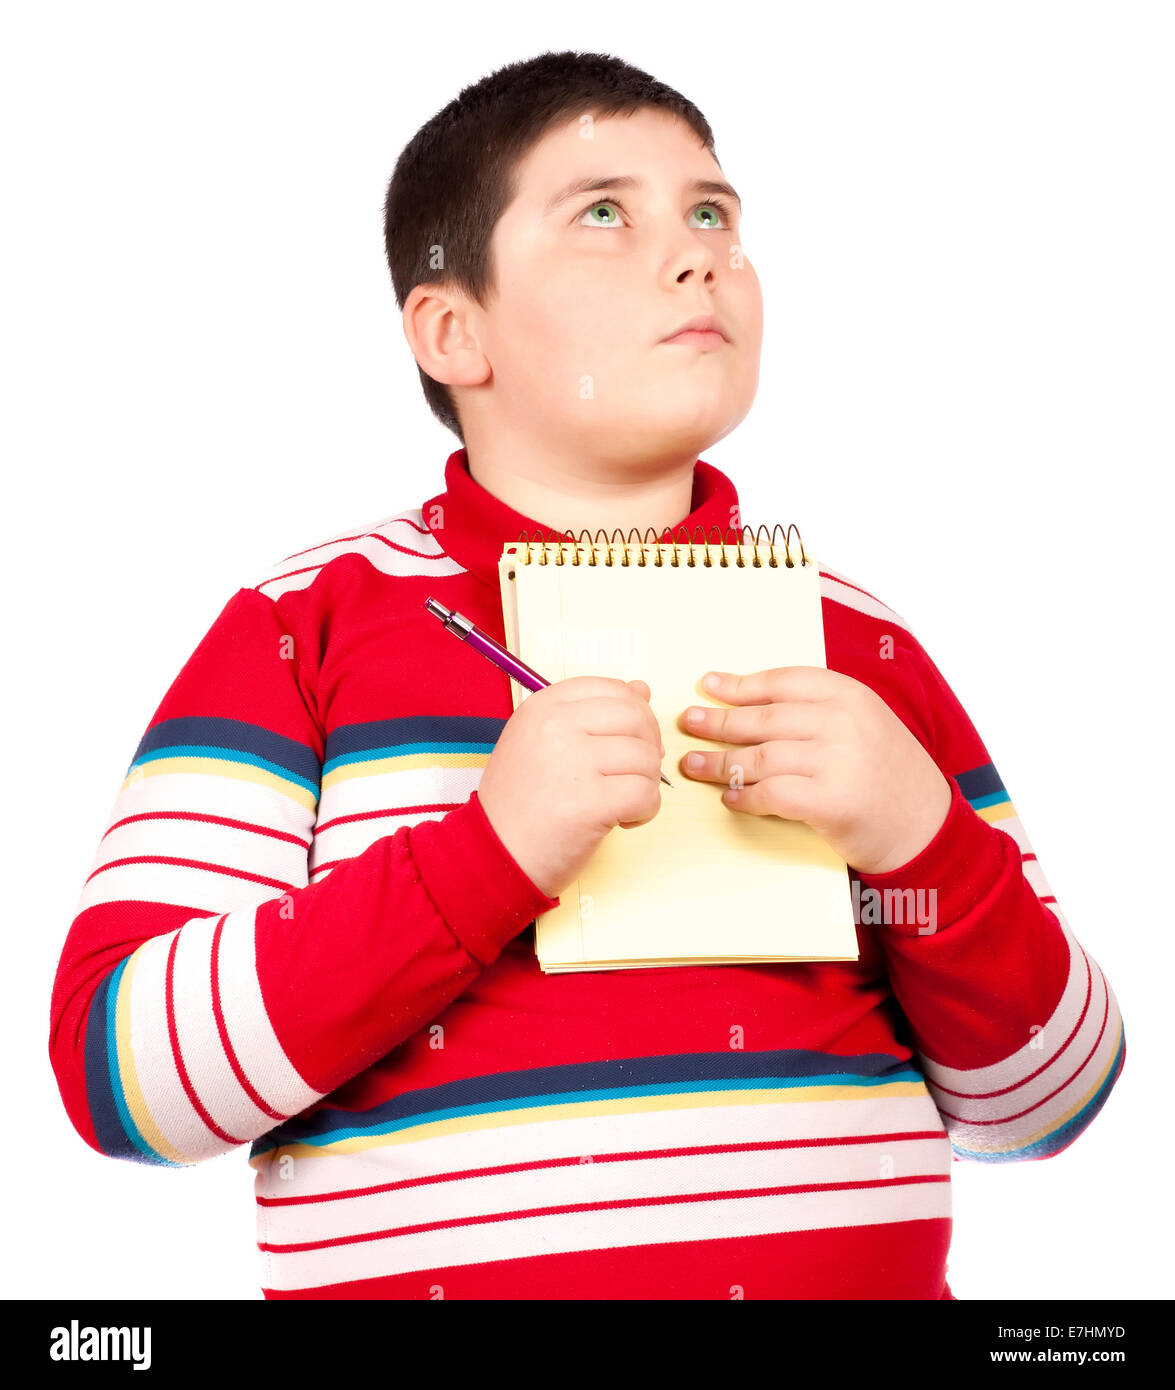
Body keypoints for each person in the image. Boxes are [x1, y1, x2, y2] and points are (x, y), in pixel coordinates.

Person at [48, 49, 1124, 1300]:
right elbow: (117, 1073)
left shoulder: (861, 646)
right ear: (454, 330)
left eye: (712, 212)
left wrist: (921, 845)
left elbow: (1047, 1101)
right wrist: (484, 854)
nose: (695, 253)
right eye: (603, 212)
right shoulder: (306, 627)